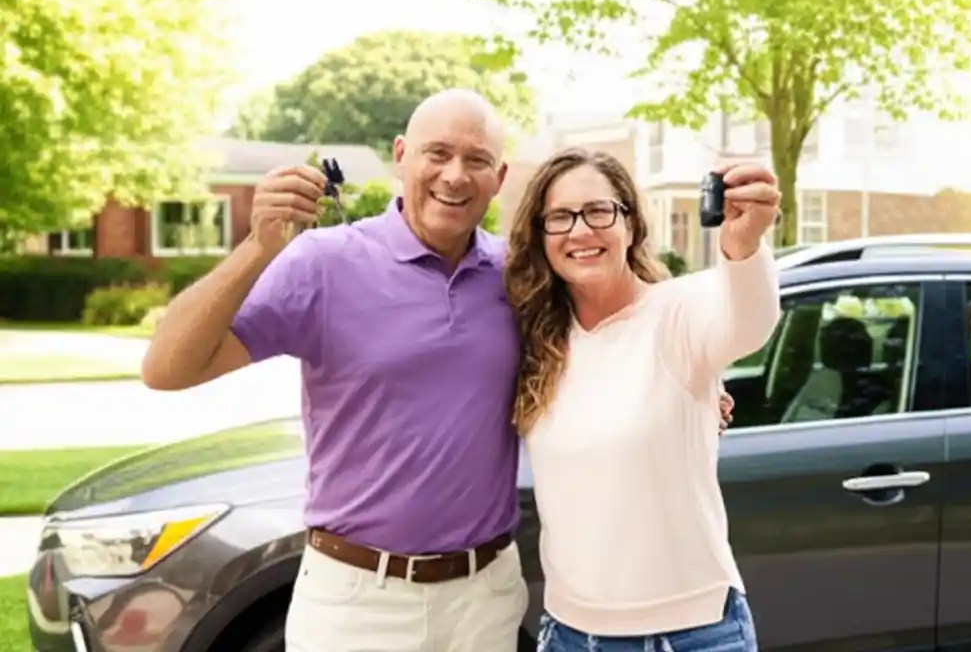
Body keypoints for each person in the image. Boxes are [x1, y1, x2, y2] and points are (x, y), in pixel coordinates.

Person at [140, 89, 733, 652]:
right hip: (355, 599)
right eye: (438, 153)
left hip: (484, 595)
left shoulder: (519, 275)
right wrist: (256, 248)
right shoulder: (322, 264)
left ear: (499, 180)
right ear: (402, 156)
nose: (455, 175)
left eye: (477, 159)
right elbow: (166, 368)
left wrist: (695, 380)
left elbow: (614, 319)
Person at [503, 148, 781, 651]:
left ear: (630, 222)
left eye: (600, 211)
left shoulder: (677, 313)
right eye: (561, 217)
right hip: (571, 634)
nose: (581, 231)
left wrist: (742, 247)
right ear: (540, 236)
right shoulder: (536, 340)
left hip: (692, 632)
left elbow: (751, 323)